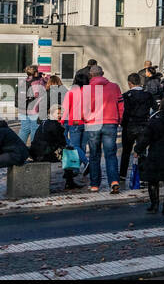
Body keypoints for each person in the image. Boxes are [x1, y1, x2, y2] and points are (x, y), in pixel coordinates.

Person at [83, 64, 124, 194]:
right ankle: (114, 181)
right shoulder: (114, 87)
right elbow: (121, 105)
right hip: (110, 122)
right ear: (103, 73)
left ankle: (95, 184)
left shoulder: (87, 89)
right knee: (111, 154)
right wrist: (119, 120)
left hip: (93, 124)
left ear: (91, 75)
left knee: (94, 155)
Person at [29, 105, 78, 190]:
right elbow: (61, 142)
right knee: (69, 153)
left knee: (66, 151)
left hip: (36, 152)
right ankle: (70, 182)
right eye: (57, 113)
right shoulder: (54, 125)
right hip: (43, 154)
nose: (60, 115)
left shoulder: (44, 122)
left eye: (61, 113)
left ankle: (70, 178)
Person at [119, 73, 156, 185]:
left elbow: (123, 112)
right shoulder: (148, 95)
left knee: (126, 151)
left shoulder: (126, 95)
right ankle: (142, 176)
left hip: (129, 126)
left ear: (130, 83)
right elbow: (155, 108)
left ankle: (122, 175)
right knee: (142, 151)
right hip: (143, 125)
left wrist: (123, 124)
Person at [21, 65, 47, 145]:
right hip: (34, 110)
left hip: (23, 109)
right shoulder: (39, 82)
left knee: (24, 130)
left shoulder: (23, 81)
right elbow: (46, 88)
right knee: (35, 129)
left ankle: (19, 147)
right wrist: (45, 78)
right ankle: (34, 148)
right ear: (35, 73)